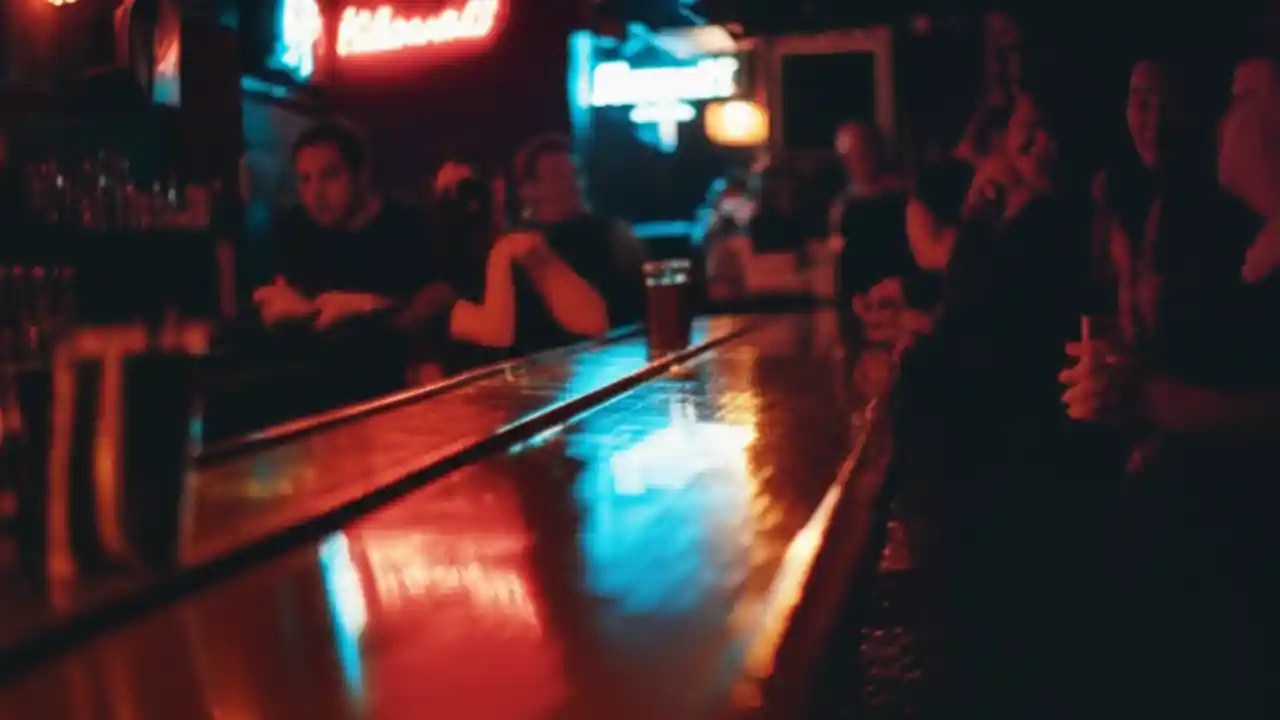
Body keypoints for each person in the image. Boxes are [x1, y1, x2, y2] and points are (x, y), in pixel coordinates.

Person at [1060, 53, 1280, 718]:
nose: (1238, 123)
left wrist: (1153, 399)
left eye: (1255, 102)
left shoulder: (1222, 224)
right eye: (1137, 98)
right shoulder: (1155, 203)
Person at [902, 90, 1112, 719]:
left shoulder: (1050, 223)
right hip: (1021, 460)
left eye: (1048, 130)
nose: (1038, 143)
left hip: (1018, 469)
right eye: (1028, 129)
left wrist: (917, 358)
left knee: (996, 654)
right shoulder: (1023, 223)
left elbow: (984, 342)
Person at [253, 121, 439, 331]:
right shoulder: (292, 229)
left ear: (361, 176)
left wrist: (372, 307)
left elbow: (434, 310)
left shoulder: (409, 226)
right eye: (305, 179)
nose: (315, 194)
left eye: (330, 176)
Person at [509, 133, 645, 354]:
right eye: (557, 175)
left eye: (575, 173)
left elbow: (639, 310)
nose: (571, 183)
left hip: (617, 358)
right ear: (529, 189)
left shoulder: (614, 235)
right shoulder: (517, 249)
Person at [830, 121, 913, 342]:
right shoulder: (844, 203)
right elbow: (840, 256)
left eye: (861, 153)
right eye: (847, 155)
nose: (854, 161)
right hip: (854, 306)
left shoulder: (902, 198)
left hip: (895, 307)